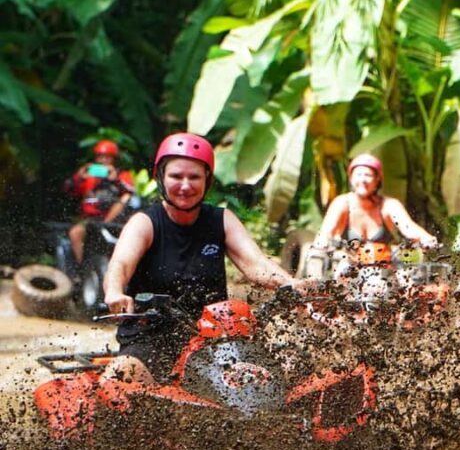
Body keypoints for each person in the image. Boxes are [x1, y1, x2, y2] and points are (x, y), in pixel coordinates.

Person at [102, 132, 296, 385]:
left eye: (194, 177)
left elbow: (256, 264)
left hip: (214, 338)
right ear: (161, 177)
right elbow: (120, 265)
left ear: (207, 180)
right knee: (120, 379)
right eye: (176, 176)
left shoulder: (222, 220)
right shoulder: (145, 223)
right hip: (150, 338)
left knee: (284, 371)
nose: (185, 185)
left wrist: (292, 285)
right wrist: (115, 292)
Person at [310, 154, 439, 255]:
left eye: (368, 175)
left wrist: (426, 238)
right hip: (348, 264)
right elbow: (326, 232)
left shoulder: (389, 205)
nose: (363, 180)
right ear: (351, 178)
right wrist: (323, 242)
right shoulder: (342, 203)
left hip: (384, 265)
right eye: (358, 175)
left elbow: (408, 228)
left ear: (377, 180)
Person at [65, 139, 136, 265]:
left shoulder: (121, 174)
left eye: (107, 157)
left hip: (112, 219)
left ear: (113, 159)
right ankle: (81, 268)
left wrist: (115, 180)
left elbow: (131, 192)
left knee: (124, 198)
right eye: (100, 157)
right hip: (90, 219)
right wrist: (79, 177)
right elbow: (70, 191)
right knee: (75, 233)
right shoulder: (89, 176)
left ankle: (105, 226)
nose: (103, 160)